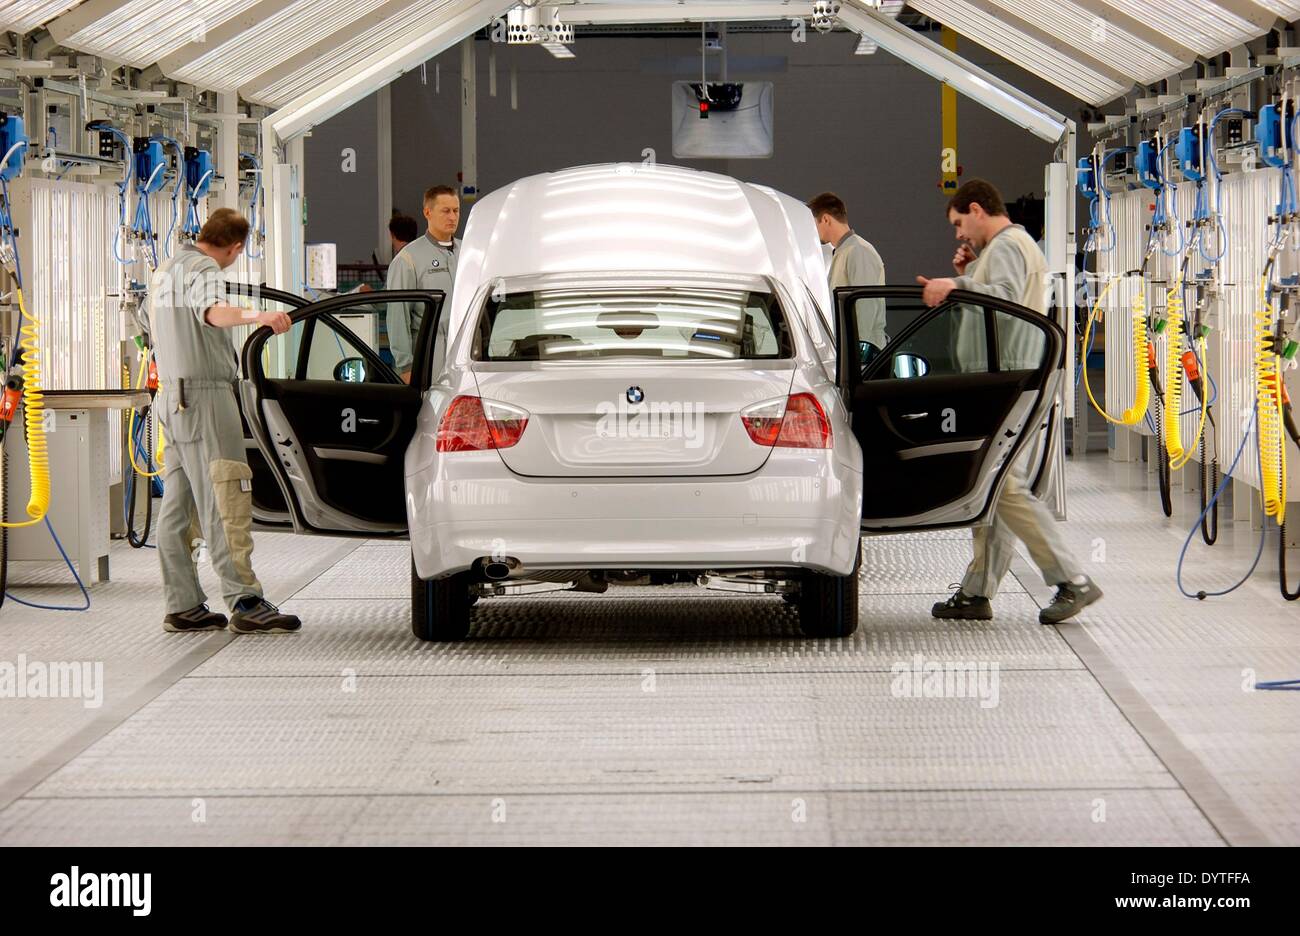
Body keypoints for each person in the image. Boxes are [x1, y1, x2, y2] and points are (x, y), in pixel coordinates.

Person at [917, 179, 1102, 625]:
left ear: (977, 209)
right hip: (1010, 383)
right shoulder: (1009, 246)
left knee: (1003, 485)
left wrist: (954, 285)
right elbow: (1001, 293)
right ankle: (977, 591)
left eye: (960, 224)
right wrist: (972, 269)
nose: (959, 234)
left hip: (1006, 387)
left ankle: (1071, 579)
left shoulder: (1006, 245)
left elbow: (1003, 299)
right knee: (996, 487)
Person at [149, 208, 301, 634]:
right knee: (226, 496)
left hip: (171, 399)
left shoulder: (165, 271)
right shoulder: (204, 269)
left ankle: (182, 605)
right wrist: (260, 317)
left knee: (177, 508)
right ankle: (245, 600)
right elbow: (213, 313)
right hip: (205, 398)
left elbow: (148, 325)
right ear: (235, 247)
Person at [385, 186, 461, 383]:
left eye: (456, 210)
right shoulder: (408, 260)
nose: (452, 217)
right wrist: (406, 367)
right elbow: (397, 317)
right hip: (428, 358)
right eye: (445, 211)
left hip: (465, 355)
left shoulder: (469, 252)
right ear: (427, 212)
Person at [807, 192, 886, 361]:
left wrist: (857, 356)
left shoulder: (858, 251)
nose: (812, 232)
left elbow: (865, 307)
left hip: (864, 356)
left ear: (826, 219)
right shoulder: (845, 251)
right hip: (853, 353)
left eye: (814, 224)